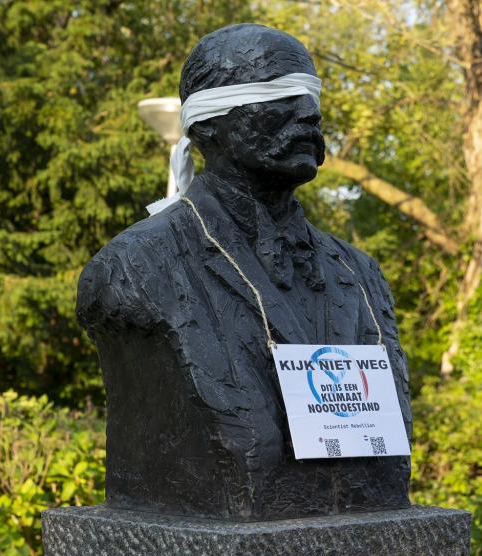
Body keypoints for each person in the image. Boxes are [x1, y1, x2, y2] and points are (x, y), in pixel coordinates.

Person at [77, 24, 410, 520]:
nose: (309, 112)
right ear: (208, 124)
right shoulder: (135, 267)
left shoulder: (359, 273)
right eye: (278, 94)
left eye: (311, 94)